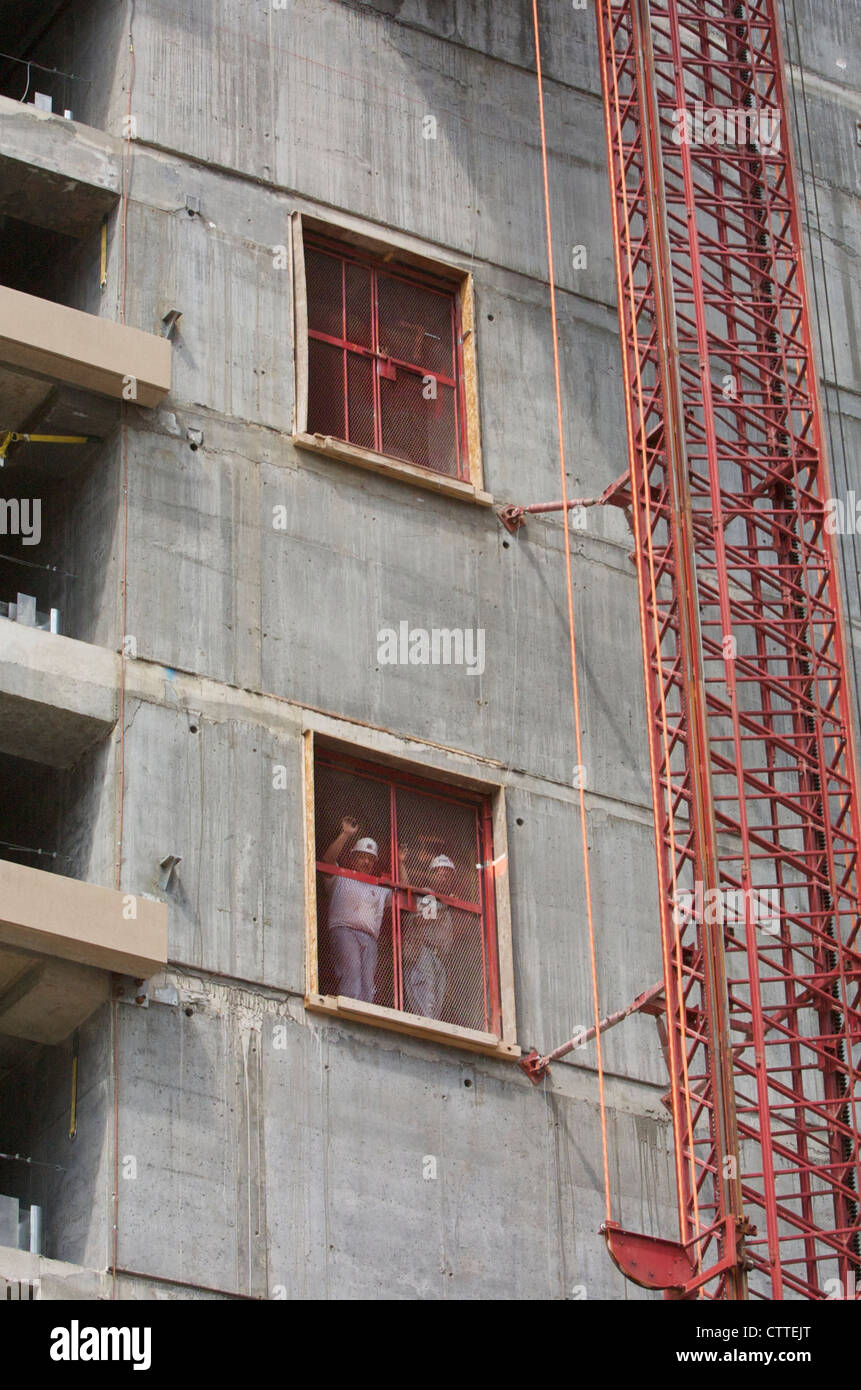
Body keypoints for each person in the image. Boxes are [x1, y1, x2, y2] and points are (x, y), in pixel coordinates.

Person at [321, 816, 405, 1003]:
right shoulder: (340, 876)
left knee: (368, 984)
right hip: (344, 930)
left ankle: (363, 1015)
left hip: (370, 938)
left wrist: (400, 862)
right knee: (352, 976)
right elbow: (327, 860)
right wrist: (345, 834)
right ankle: (350, 1013)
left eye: (370, 859)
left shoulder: (378, 887)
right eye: (362, 857)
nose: (366, 862)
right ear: (352, 858)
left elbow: (404, 897)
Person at [402, 854, 458, 1021]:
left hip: (439, 957)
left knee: (435, 1005)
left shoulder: (444, 901)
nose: (444, 879)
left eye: (447, 876)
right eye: (439, 874)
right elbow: (420, 921)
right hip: (424, 953)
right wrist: (444, 907)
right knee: (427, 1002)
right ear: (431, 875)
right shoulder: (428, 894)